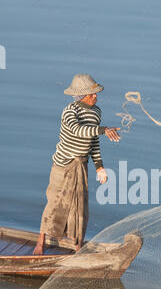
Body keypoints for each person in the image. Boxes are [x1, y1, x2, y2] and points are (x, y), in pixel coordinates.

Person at [33, 74, 120, 255]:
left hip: (81, 164)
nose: (95, 97)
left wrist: (99, 166)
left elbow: (93, 140)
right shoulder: (70, 111)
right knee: (54, 203)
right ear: (81, 96)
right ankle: (40, 242)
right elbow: (77, 130)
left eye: (95, 94)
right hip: (63, 165)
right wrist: (104, 129)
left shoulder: (96, 112)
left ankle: (77, 245)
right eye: (91, 94)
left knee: (80, 206)